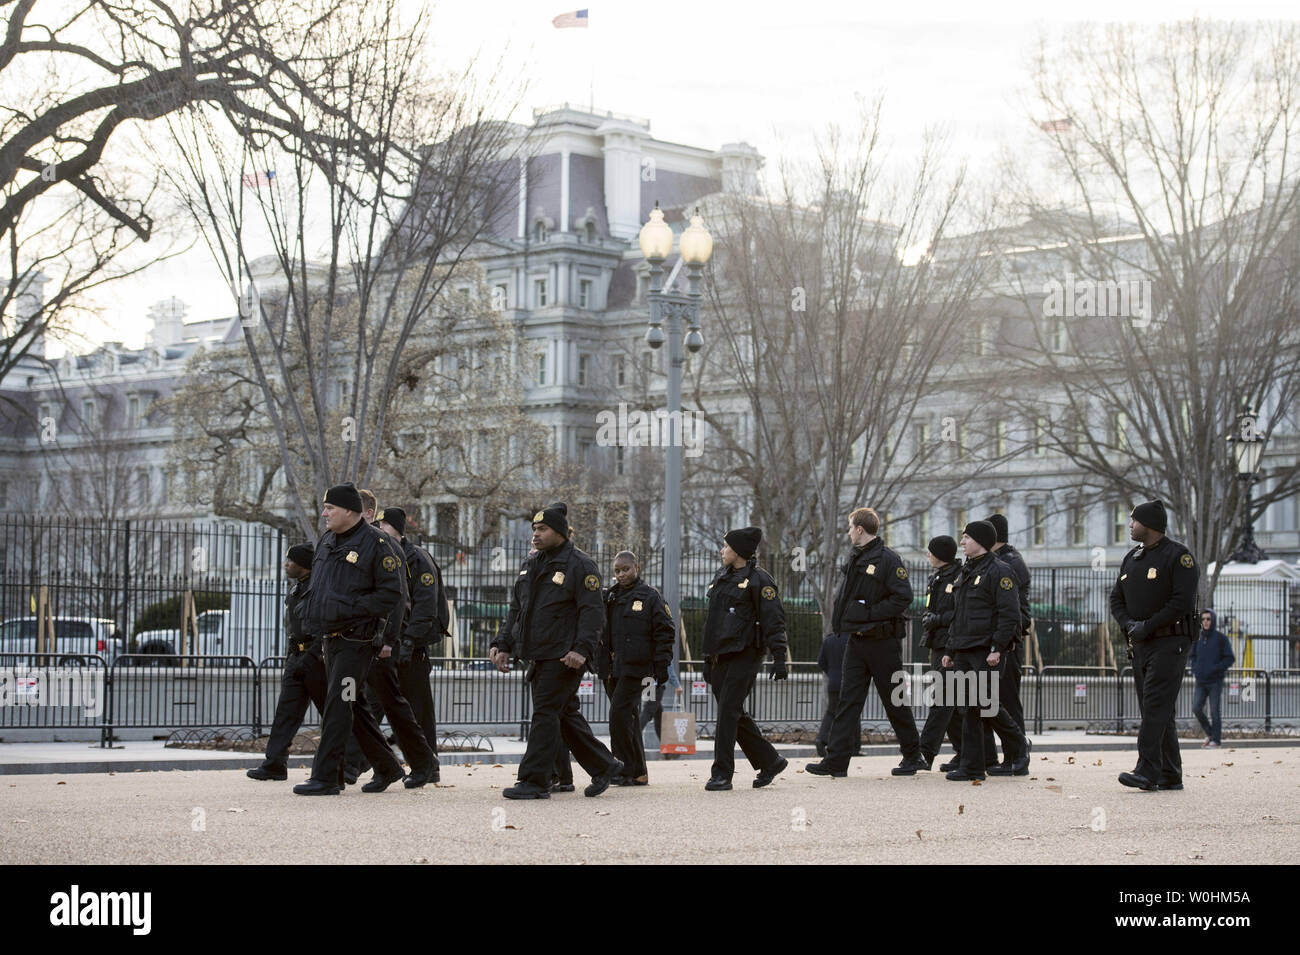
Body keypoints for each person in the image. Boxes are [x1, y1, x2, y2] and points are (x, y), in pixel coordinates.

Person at [489, 503, 623, 799]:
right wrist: (502, 643)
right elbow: (516, 610)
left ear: (560, 532)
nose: (535, 535)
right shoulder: (532, 564)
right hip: (538, 654)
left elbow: (593, 613)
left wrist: (582, 650)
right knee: (562, 714)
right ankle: (604, 765)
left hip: (564, 657)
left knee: (546, 714)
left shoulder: (580, 565)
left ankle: (535, 781)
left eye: (543, 529)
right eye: (534, 529)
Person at [293, 482, 410, 796]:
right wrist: (309, 612)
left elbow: (391, 594)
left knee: (339, 703)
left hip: (356, 643)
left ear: (349, 510)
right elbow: (318, 588)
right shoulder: (328, 540)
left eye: (330, 508)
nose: (324, 513)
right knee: (353, 704)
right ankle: (387, 766)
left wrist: (352, 610)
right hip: (330, 639)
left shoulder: (377, 543)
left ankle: (327, 776)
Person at [806, 508, 924, 779]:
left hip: (882, 642)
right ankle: (836, 760)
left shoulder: (887, 559)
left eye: (850, 527)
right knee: (847, 701)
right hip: (856, 640)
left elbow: (903, 597)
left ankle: (912, 754)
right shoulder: (856, 557)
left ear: (860, 529)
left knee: (894, 701)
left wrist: (869, 613)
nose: (848, 532)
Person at [1109, 499, 1199, 792]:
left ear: (1148, 524)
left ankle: (1147, 771)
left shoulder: (1178, 556)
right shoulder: (1131, 558)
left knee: (1155, 706)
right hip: (1141, 642)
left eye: (1133, 520)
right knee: (1158, 710)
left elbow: (1182, 602)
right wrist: (1129, 625)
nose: (1130, 525)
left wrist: (1148, 625)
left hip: (1170, 642)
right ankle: (1170, 773)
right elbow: (1116, 599)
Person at [700, 526, 789, 791]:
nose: (722, 550)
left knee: (727, 712)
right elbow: (712, 622)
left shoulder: (760, 580)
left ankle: (722, 773)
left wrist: (779, 657)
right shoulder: (722, 576)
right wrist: (707, 658)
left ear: (738, 551)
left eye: (726, 546)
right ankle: (770, 761)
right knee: (734, 714)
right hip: (720, 656)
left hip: (746, 654)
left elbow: (775, 621)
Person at [942, 520, 1029, 782]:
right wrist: (950, 648)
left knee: (983, 705)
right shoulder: (966, 571)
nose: (963, 542)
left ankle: (1016, 744)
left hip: (984, 650)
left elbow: (1010, 614)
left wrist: (998, 648)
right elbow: (958, 615)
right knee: (969, 707)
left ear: (980, 541)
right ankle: (973, 765)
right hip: (963, 649)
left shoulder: (1000, 571)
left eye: (967, 537)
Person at [374, 506, 443, 785]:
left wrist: (411, 640)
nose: (379, 531)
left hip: (411, 648)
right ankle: (363, 764)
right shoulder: (384, 554)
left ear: (396, 530)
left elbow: (425, 607)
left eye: (383, 526)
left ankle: (428, 765)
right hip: (386, 645)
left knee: (417, 710)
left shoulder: (417, 559)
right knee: (374, 706)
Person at [595, 551, 675, 785]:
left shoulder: (650, 596)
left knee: (618, 715)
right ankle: (638, 771)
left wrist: (661, 665)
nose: (621, 574)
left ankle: (621, 766)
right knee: (628, 718)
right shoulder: (609, 597)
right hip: (611, 668)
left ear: (636, 568)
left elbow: (665, 631)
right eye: (617, 571)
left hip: (637, 668)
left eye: (625, 569)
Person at [248, 544, 325, 781]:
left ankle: (353, 760)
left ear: (303, 564)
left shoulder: (318, 588)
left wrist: (312, 654)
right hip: (296, 657)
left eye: (290, 560)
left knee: (333, 714)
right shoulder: (295, 589)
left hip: (316, 659)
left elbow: (322, 626)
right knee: (286, 713)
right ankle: (274, 763)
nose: (286, 564)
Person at [985, 513, 1032, 768]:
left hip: (1007, 643)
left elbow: (1014, 611)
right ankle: (1011, 754)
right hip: (1002, 640)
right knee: (999, 701)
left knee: (1008, 700)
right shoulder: (1003, 560)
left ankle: (1016, 754)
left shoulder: (1008, 563)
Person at [917, 536, 964, 771]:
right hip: (937, 643)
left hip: (950, 645)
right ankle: (965, 750)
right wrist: (930, 618)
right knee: (951, 703)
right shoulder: (935, 578)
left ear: (941, 554)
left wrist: (937, 619)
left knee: (943, 700)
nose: (928, 555)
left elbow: (959, 613)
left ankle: (924, 753)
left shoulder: (958, 577)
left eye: (931, 552)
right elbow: (931, 607)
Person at [1189, 608, 1235, 749]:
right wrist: (1195, 669)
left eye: (1208, 619)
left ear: (1213, 620)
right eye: (1203, 619)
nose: (1205, 622)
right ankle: (1210, 734)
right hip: (1201, 681)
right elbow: (1192, 656)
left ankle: (1216, 741)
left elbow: (1229, 658)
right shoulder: (1198, 638)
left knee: (1215, 711)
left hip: (1215, 681)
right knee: (1196, 708)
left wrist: (1216, 668)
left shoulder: (1221, 638)